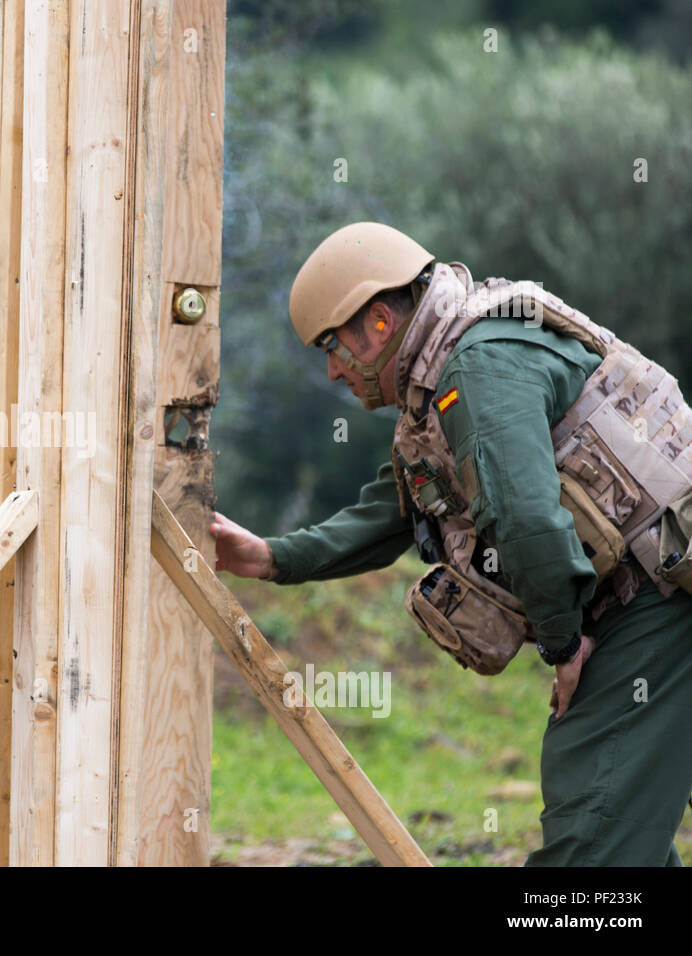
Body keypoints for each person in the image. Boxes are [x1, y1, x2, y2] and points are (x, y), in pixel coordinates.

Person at [210, 221, 692, 866]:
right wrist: (275, 557)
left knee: (595, 836)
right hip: (665, 585)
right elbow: (403, 502)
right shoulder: (453, 373)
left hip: (660, 595)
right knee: (619, 829)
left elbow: (522, 515)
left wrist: (562, 639)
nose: (330, 372)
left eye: (332, 346)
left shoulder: (478, 365)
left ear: (379, 323)